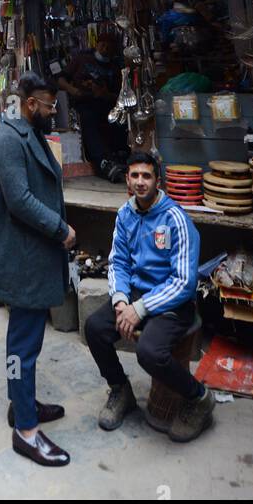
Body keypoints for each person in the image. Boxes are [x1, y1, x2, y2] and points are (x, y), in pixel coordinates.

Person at [84, 151, 214, 443]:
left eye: (147, 175)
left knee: (149, 353)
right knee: (94, 328)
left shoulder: (175, 218)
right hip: (134, 294)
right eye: (135, 176)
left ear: (158, 180)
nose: (140, 182)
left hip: (173, 300)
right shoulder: (125, 214)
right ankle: (120, 389)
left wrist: (139, 309)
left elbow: (183, 281)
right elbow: (118, 262)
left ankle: (199, 398)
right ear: (127, 180)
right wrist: (120, 300)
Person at [0, 73, 74, 468]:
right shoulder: (7, 140)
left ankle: (21, 404)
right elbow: (19, 200)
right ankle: (26, 431)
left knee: (27, 343)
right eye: (49, 105)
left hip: (31, 257)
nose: (53, 112)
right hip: (19, 259)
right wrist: (60, 228)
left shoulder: (29, 134)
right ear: (30, 103)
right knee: (23, 345)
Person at [58, 32, 124, 175]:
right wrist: (73, 90)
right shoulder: (82, 59)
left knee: (118, 121)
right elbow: (61, 80)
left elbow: (119, 95)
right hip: (83, 103)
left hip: (106, 104)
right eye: (102, 44)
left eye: (109, 46)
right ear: (96, 44)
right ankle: (103, 161)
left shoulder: (114, 67)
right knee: (88, 119)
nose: (105, 48)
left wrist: (106, 94)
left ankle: (119, 157)